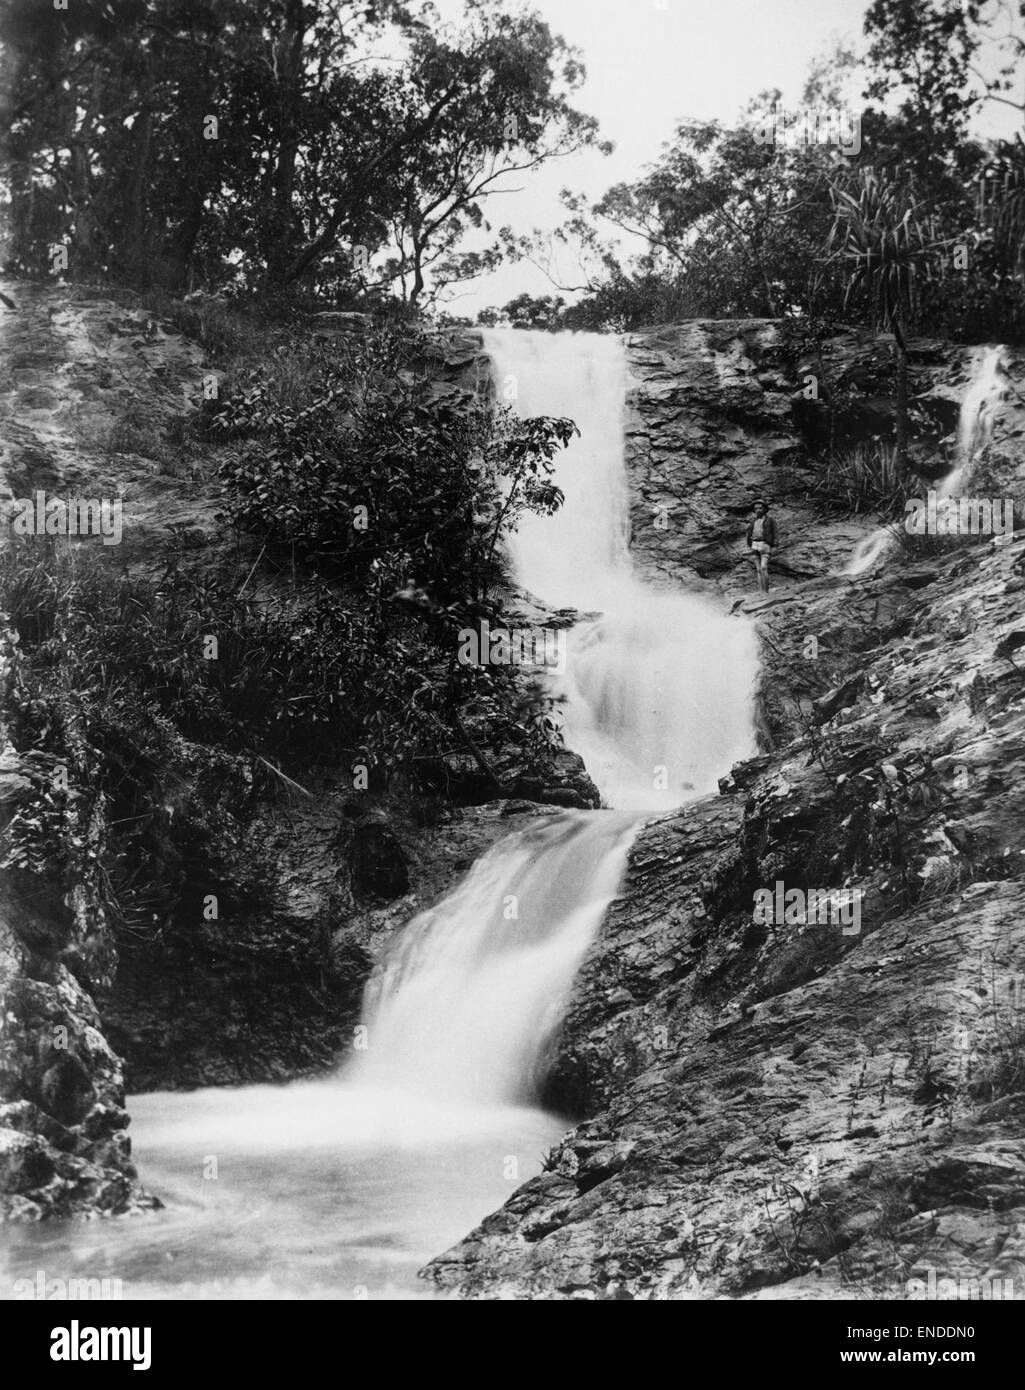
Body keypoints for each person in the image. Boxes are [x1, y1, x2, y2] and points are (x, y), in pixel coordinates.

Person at [746, 501, 777, 592]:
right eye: (756, 509)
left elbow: (775, 532)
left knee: (763, 567)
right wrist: (749, 544)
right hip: (754, 544)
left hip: (765, 544)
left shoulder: (770, 520)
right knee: (758, 569)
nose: (758, 510)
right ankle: (761, 591)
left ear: (764, 509)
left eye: (760, 508)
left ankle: (766, 590)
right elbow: (749, 533)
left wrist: (774, 545)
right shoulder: (753, 521)